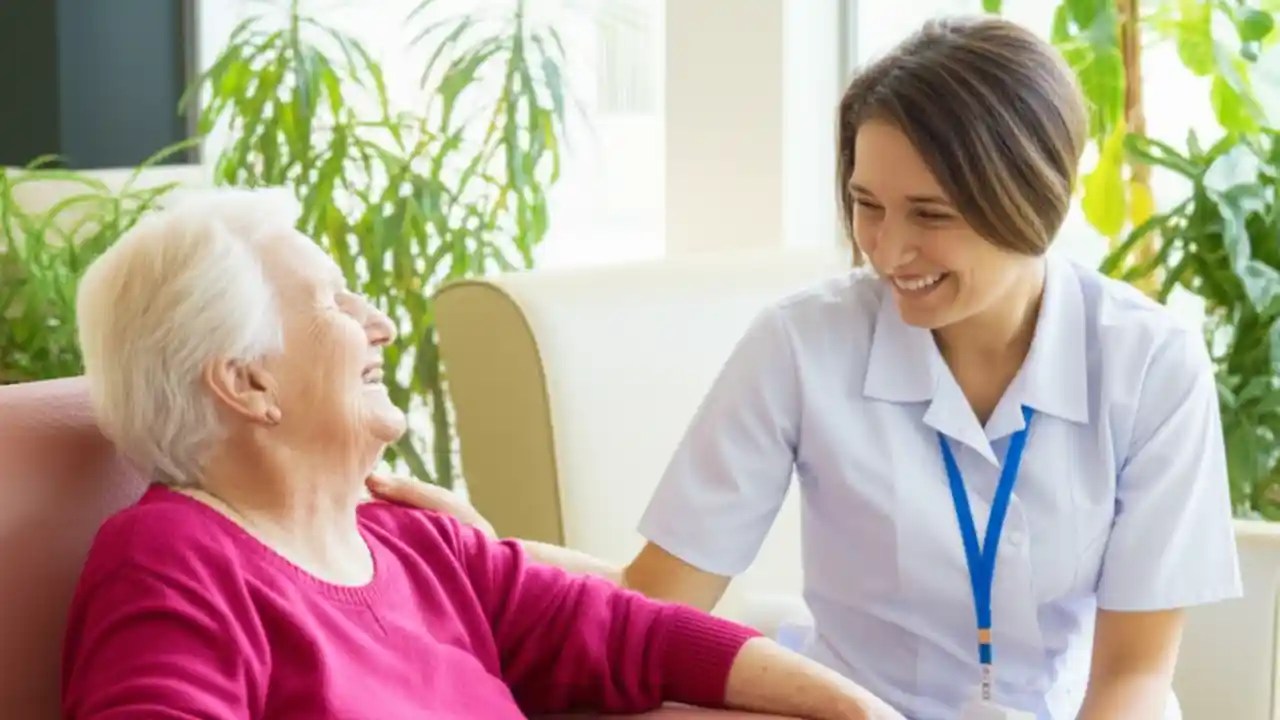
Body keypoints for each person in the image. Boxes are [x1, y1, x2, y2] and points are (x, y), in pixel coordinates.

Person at [368, 15, 1243, 720]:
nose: (888, 249)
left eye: (931, 214)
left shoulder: (1150, 363)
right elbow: (656, 600)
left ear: (1036, 199)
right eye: (866, 204)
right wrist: (480, 556)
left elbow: (1133, 673)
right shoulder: (803, 343)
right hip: (851, 710)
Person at [61, 189, 906, 720]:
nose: (378, 324)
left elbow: (639, 634)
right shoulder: (171, 560)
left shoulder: (417, 541)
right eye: (331, 304)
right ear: (247, 381)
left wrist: (858, 710)